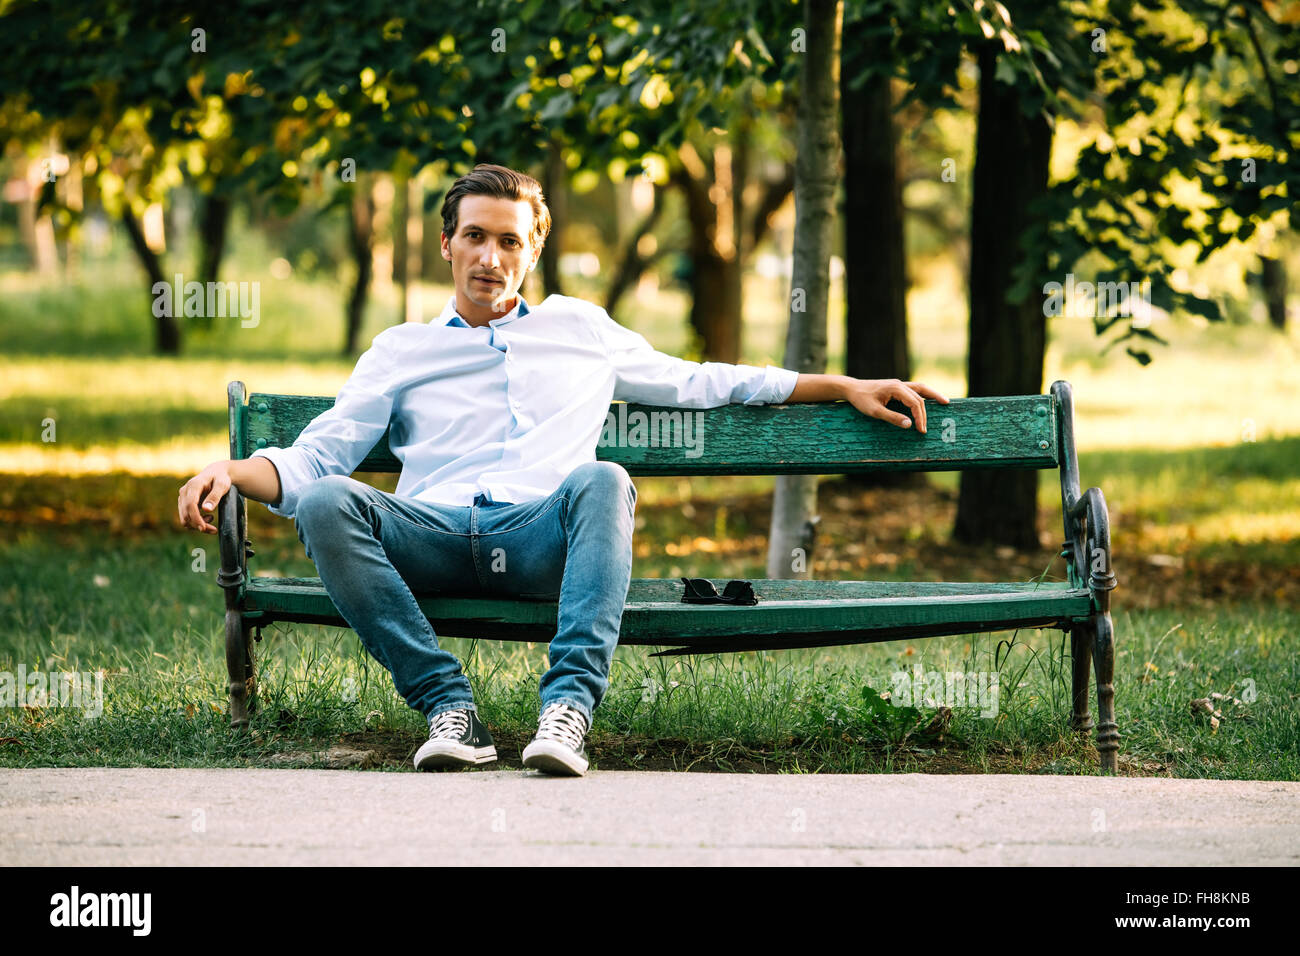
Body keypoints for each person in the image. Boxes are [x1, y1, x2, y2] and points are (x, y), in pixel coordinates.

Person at [177, 163, 949, 777]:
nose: (490, 257)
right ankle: (450, 710)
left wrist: (843, 385)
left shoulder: (580, 329)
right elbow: (319, 456)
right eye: (475, 237)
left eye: (509, 241)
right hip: (433, 541)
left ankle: (566, 713)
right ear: (447, 244)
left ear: (532, 251)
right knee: (326, 503)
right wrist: (234, 469)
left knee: (604, 478)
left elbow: (703, 381)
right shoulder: (401, 350)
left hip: (542, 539)